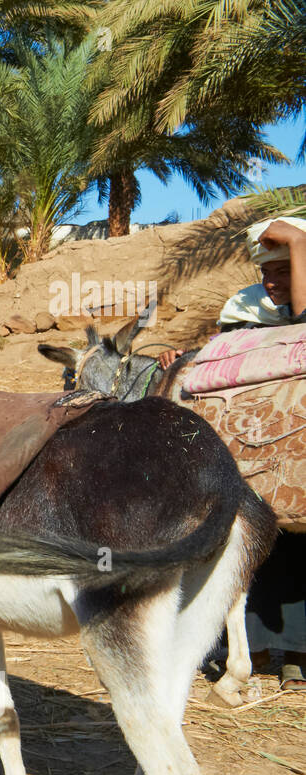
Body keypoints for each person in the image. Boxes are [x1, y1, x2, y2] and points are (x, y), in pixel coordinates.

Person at [156, 216, 306, 689]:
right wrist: (189, 355)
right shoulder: (246, 306)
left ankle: (297, 658)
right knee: (258, 544)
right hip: (254, 447)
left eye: (285, 269)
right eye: (267, 271)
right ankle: (255, 651)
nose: (272, 281)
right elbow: (231, 354)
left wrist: (300, 241)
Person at [156, 216, 306, 370]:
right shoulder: (250, 306)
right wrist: (183, 357)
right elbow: (226, 348)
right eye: (265, 272)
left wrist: (298, 241)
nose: (269, 283)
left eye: (284, 272)